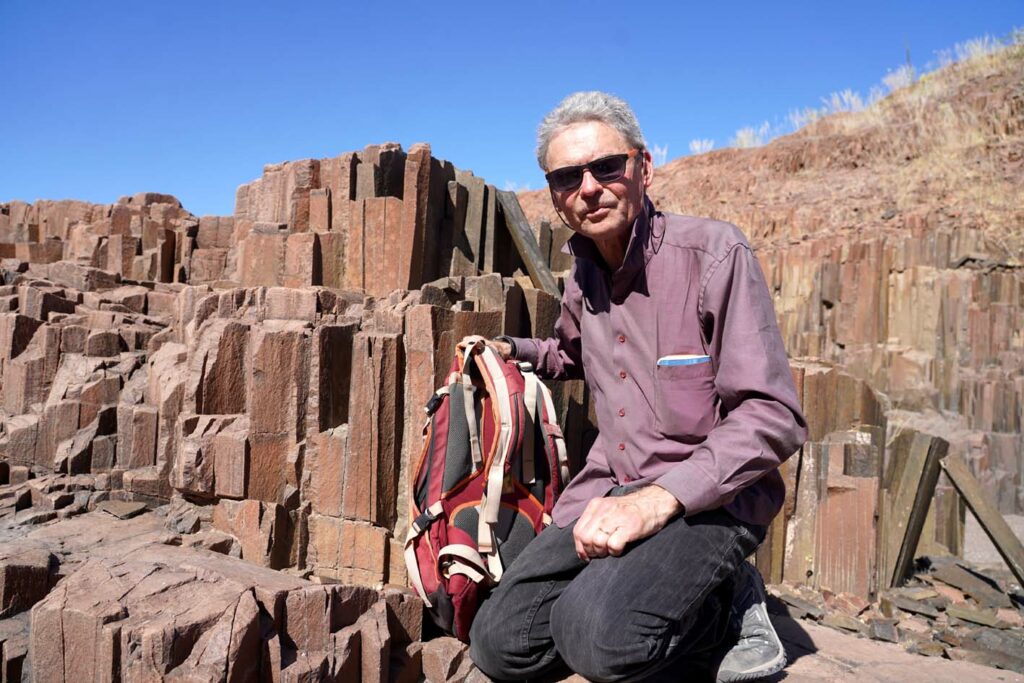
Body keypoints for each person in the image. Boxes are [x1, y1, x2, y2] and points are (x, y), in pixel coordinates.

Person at [467, 91, 808, 682]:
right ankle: (651, 592)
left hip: (712, 498)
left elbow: (771, 415)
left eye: (606, 167)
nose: (589, 187)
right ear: (554, 194)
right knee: (500, 642)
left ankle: (729, 599)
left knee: (598, 637)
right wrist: (511, 351)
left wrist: (659, 502)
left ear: (642, 168)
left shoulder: (714, 254)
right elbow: (571, 354)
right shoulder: (584, 275)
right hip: (614, 485)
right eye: (568, 176)